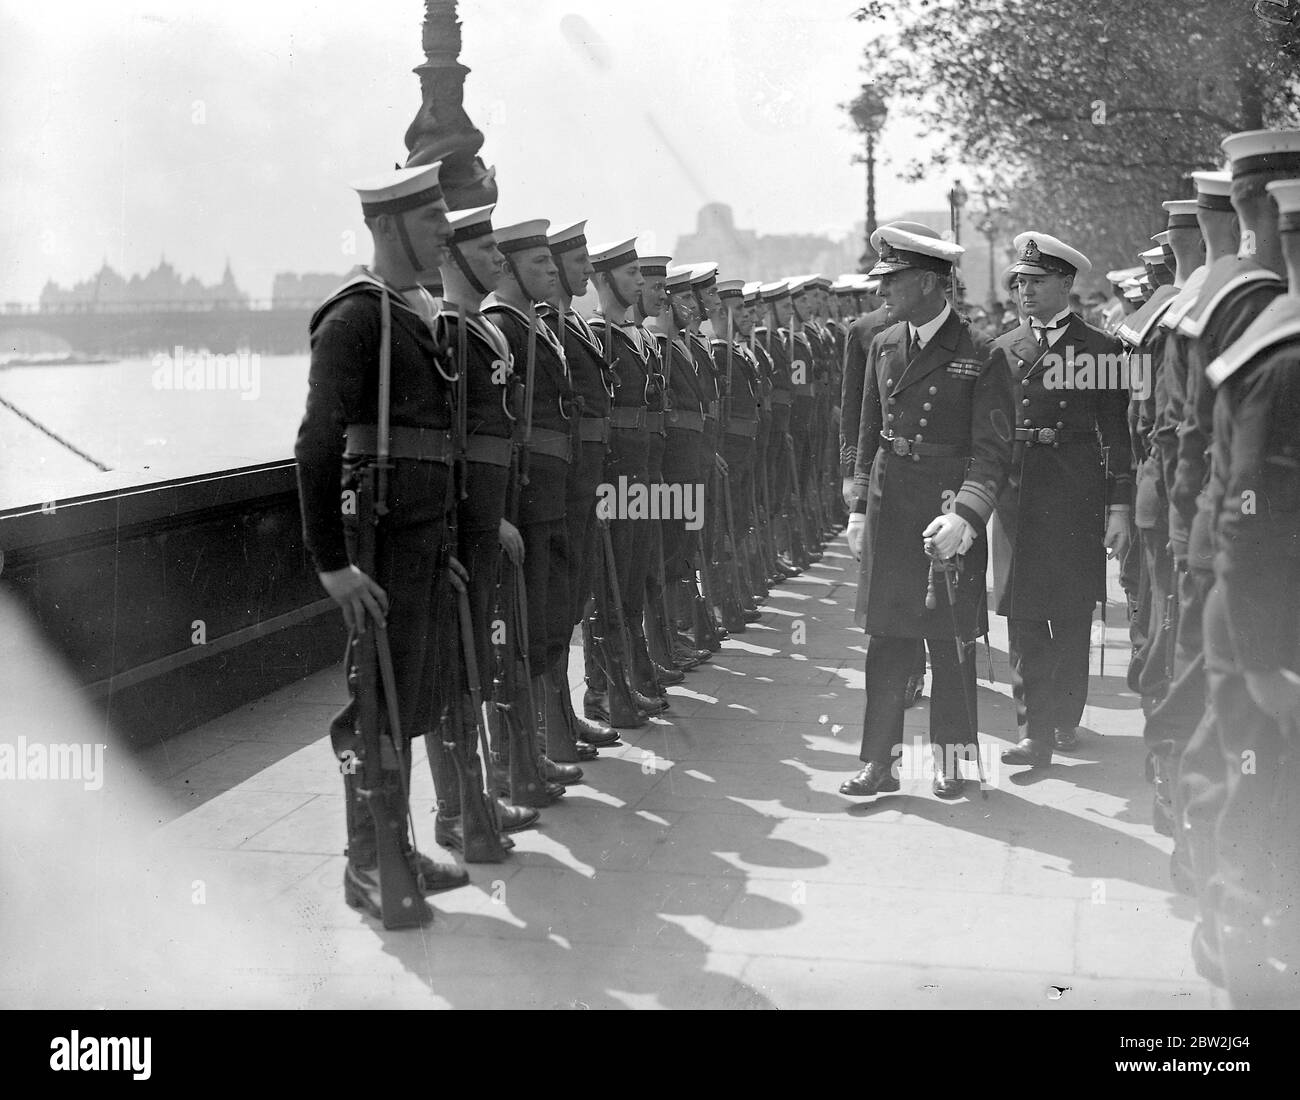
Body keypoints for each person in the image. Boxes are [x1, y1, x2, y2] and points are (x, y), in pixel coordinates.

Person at [294, 162, 469, 924]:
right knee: (375, 705)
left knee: (411, 697)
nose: (446, 236)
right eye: (433, 221)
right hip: (378, 542)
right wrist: (332, 564)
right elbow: (315, 445)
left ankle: (393, 845)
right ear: (389, 225)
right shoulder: (357, 317)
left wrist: (446, 546)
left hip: (421, 541)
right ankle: (367, 865)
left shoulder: (412, 315)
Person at [842, 224, 1014, 799]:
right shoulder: (884, 343)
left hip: (948, 510)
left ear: (927, 282)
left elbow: (991, 451)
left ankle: (953, 761)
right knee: (888, 637)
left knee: (950, 639)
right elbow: (869, 433)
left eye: (891, 279)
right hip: (893, 505)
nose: (880, 290)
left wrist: (965, 516)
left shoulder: (980, 353)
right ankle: (879, 762)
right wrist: (860, 507)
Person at [1193, 170, 1300, 1007]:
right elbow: (1249, 523)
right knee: (1253, 778)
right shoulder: (1281, 363)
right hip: (1266, 612)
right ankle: (1240, 938)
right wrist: (1264, 658)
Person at [990, 232, 1131, 767]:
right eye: (1020, 283)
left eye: (1037, 282)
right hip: (1017, 494)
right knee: (1022, 610)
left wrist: (1118, 507)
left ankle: (1066, 717)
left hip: (1075, 490)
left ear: (1067, 284)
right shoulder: (1002, 349)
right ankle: (1033, 728)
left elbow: (1119, 434)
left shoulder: (1103, 350)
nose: (1026, 292)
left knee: (1071, 612)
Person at [432, 202, 543, 849]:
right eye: (484, 250)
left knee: (478, 660)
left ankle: (476, 800)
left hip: (487, 524)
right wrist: (480, 519)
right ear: (450, 257)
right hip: (467, 529)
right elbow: (446, 446)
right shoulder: (450, 334)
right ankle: (458, 811)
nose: (497, 259)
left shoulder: (483, 334)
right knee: (457, 668)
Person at [483, 219, 589, 775]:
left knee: (548, 624)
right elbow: (491, 428)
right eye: (541, 264)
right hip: (523, 499)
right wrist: (499, 512)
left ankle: (536, 745)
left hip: (556, 493)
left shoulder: (539, 326)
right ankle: (513, 757)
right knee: (517, 632)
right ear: (509, 267)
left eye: (553, 263)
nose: (552, 271)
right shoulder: (498, 326)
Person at [537, 220, 624, 752]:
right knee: (554, 608)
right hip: (564, 484)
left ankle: (563, 715)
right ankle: (553, 722)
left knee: (571, 598)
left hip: (587, 480)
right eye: (578, 262)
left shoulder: (574, 328)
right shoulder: (548, 327)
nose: (589, 270)